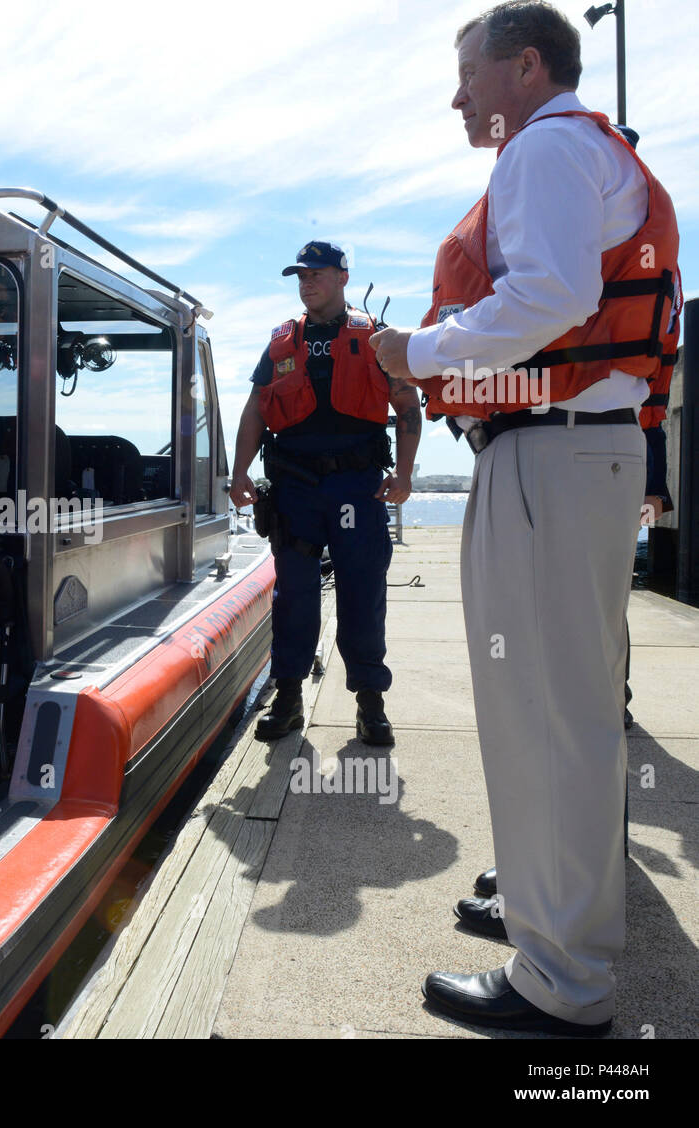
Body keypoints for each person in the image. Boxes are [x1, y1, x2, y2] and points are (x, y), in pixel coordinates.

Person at [372, 0, 681, 1035]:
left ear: (527, 68)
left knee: (547, 718)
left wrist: (411, 353)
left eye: (471, 74)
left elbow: (548, 296)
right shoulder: (580, 152)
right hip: (566, 454)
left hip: (548, 454)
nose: (458, 96)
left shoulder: (546, 148)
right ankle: (549, 911)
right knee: (562, 713)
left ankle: (561, 984)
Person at [230, 241, 420, 746]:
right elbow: (255, 409)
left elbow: (406, 406)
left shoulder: (377, 340)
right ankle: (289, 699)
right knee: (293, 594)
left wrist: (403, 475)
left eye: (317, 273)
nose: (307, 281)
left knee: (362, 589)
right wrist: (239, 472)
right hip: (294, 488)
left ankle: (370, 704)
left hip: (357, 486)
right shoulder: (280, 345)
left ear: (342, 277)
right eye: (301, 275)